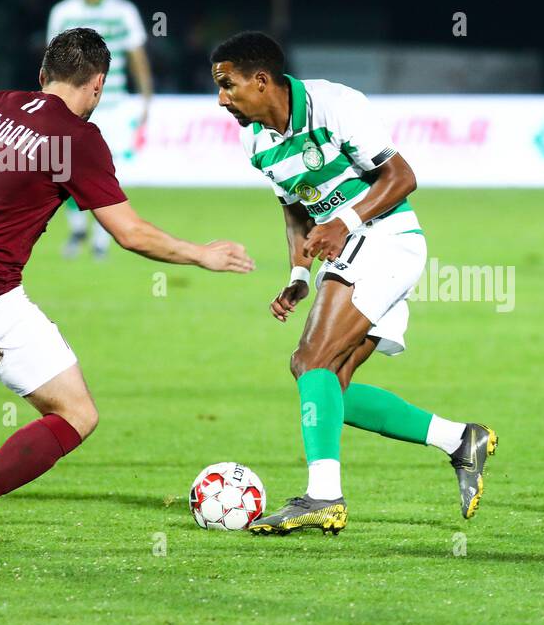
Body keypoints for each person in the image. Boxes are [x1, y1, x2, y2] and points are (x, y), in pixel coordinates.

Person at [0, 28, 251, 558]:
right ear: (98, 84)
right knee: (76, 415)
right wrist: (202, 253)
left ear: (42, 75)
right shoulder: (79, 140)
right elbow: (128, 233)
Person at [210, 31, 497, 535]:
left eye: (228, 85)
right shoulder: (255, 141)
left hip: (384, 237)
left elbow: (402, 178)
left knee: (309, 361)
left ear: (261, 80)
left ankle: (323, 497)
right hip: (350, 249)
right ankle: (460, 439)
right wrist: (298, 276)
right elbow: (296, 213)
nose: (222, 99)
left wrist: (343, 222)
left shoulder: (336, 104)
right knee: (329, 387)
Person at [46, 0, 153, 259]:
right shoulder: (63, 12)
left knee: (107, 170)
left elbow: (137, 56)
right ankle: (79, 225)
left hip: (113, 103)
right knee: (63, 166)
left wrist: (147, 96)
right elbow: (52, 61)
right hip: (70, 104)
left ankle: (102, 240)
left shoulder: (123, 11)